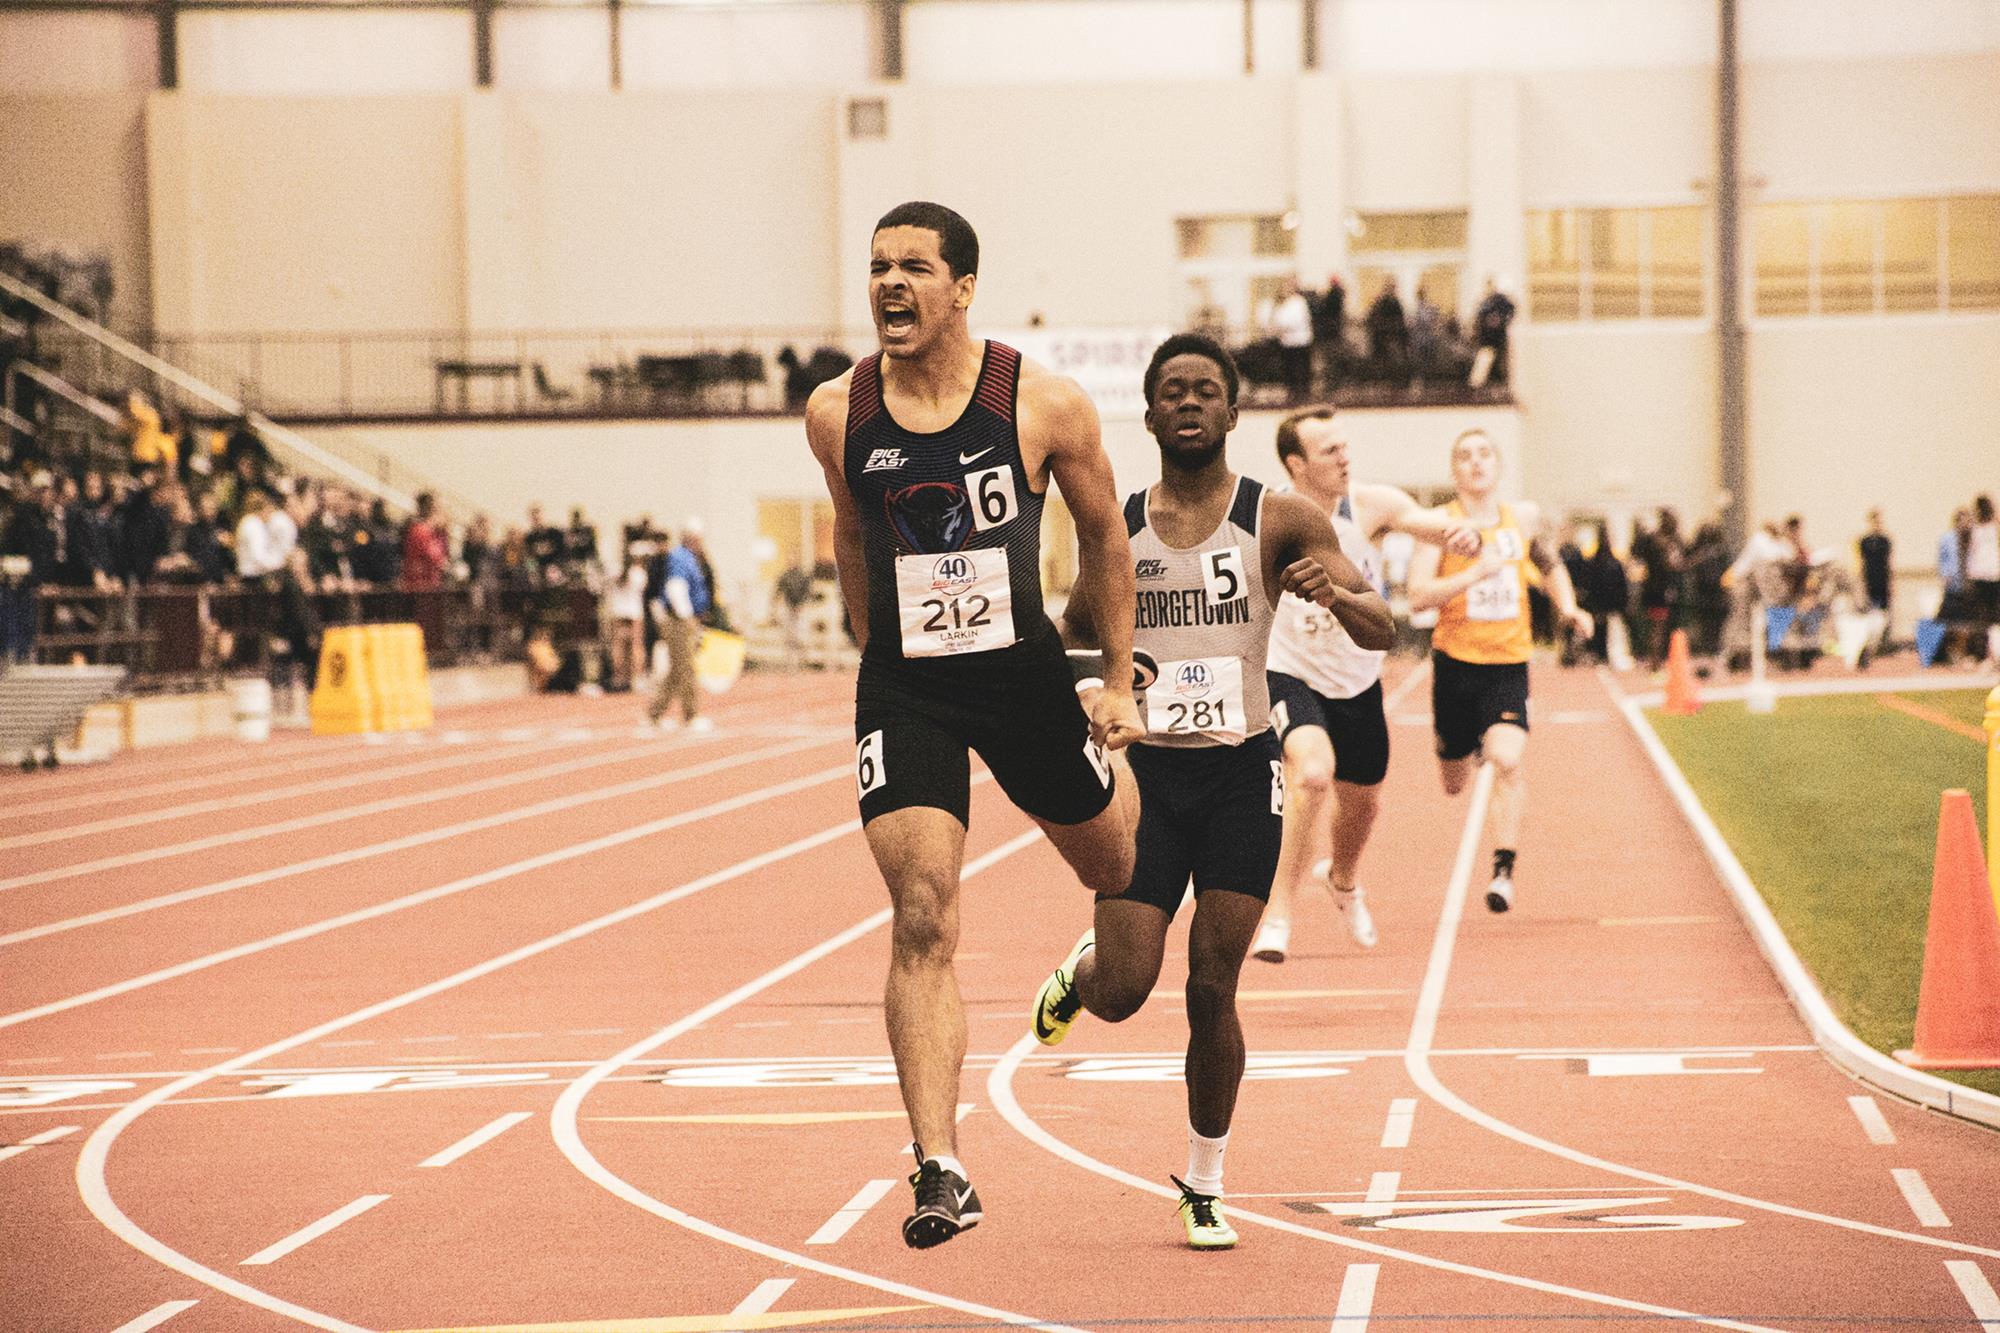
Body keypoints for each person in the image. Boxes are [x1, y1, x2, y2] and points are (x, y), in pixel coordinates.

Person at [804, 201, 1144, 1249]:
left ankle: (1085, 969)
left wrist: (1117, 681)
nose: (889, 284)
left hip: (1024, 678)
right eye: (876, 268)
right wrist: (878, 651)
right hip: (908, 686)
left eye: (913, 266)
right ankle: (939, 1164)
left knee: (1119, 872)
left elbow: (1103, 539)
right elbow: (853, 532)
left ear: (961, 287)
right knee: (921, 909)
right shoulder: (835, 412)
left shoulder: (1041, 403)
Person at [1031, 336, 1392, 1250]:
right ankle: (1084, 971)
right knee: (1124, 989)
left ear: (1233, 414)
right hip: (1148, 779)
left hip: (1241, 774)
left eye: (1207, 392)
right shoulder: (1117, 526)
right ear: (1149, 416)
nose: (1189, 404)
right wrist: (1093, 695)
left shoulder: (1282, 518)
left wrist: (1337, 598)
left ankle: (1204, 1178)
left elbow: (1384, 623)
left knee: (1208, 986)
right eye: (1172, 393)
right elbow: (1071, 635)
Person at [1250, 407, 1477, 963]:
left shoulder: (1370, 506)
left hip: (1356, 679)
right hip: (1289, 670)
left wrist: (1461, 534)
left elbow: (1429, 522)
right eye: (1330, 451)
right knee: (1311, 774)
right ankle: (1277, 912)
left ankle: (1344, 881)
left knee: (1364, 805)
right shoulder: (1268, 516)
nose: (1345, 457)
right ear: (1295, 463)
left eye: (1345, 446)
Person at [1406, 429, 1591, 913]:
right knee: (1453, 782)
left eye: (1484, 454)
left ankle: (1502, 871)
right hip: (1455, 664)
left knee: (1507, 759)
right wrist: (1472, 573)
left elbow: (1549, 567)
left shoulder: (1522, 519)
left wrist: (1569, 609)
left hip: (1508, 663)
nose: (1476, 463)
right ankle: (1461, 745)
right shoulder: (1439, 525)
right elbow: (1417, 595)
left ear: (1498, 465)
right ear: (1454, 471)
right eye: (1464, 456)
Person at [644, 522, 713, 733]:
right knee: (686, 668)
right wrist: (687, 618)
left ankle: (655, 713)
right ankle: (691, 715)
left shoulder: (687, 558)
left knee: (676, 670)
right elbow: (675, 587)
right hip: (679, 619)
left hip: (683, 618)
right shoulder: (680, 557)